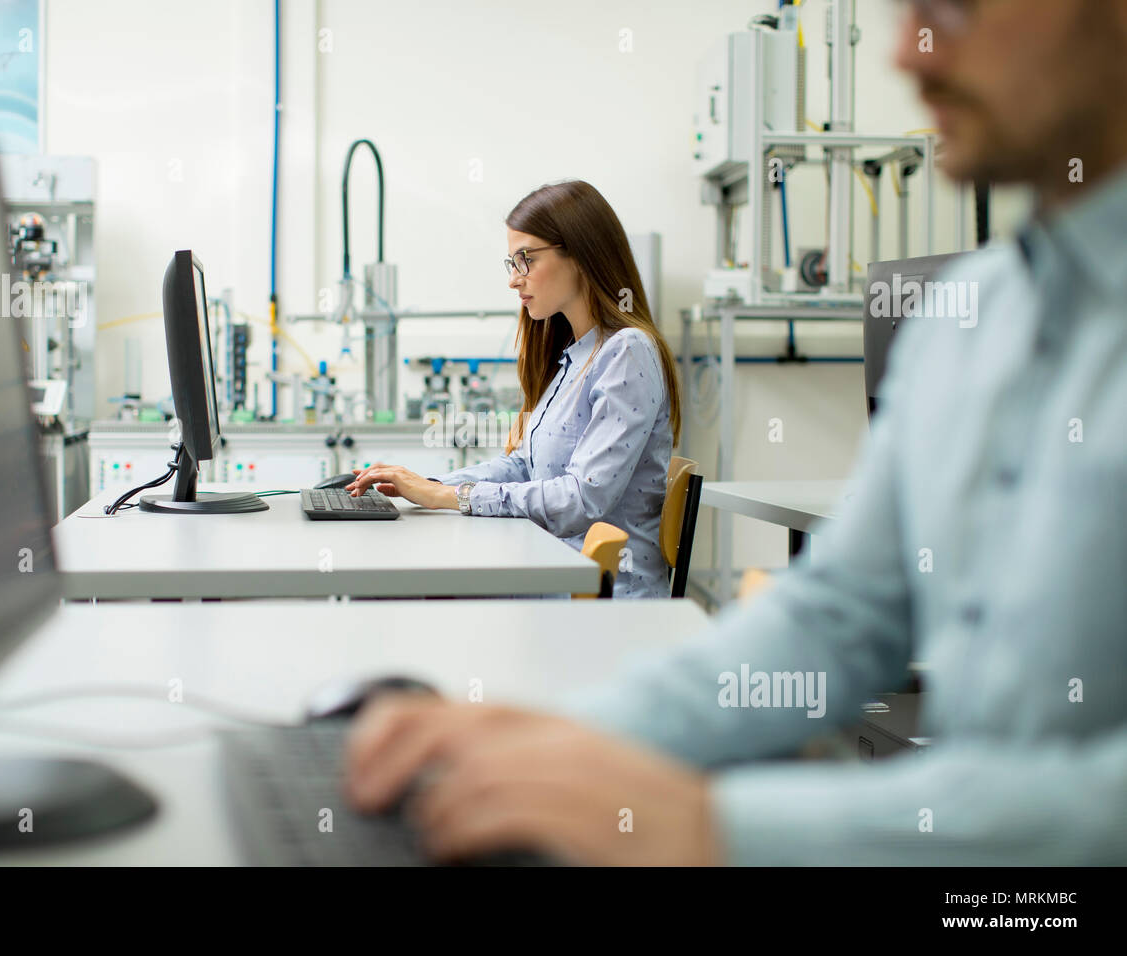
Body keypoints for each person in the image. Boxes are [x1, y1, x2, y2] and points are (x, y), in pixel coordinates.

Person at [340, 0, 1127, 865]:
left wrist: (722, 829)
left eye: (954, 8)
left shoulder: (630, 352)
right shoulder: (965, 324)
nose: (910, 51)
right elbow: (836, 622)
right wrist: (568, 739)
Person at [345, 180, 682, 598]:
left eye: (526, 259)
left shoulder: (627, 352)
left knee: (402, 595)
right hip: (555, 576)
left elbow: (581, 499)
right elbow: (524, 466)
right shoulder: (572, 358)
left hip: (603, 598)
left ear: (580, 254)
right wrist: (423, 485)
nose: (514, 279)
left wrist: (451, 496)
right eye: (512, 263)